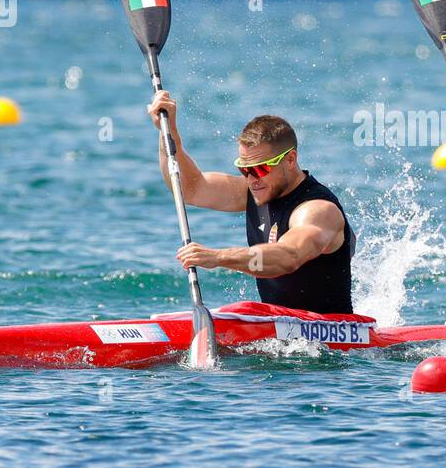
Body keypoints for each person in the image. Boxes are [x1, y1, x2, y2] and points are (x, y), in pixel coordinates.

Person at [147, 91, 355, 314]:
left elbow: (288, 257)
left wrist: (218, 257)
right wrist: (167, 130)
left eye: (260, 169)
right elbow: (190, 188)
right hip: (279, 333)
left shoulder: (317, 210)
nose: (252, 178)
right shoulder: (254, 190)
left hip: (332, 336)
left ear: (290, 159)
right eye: (244, 170)